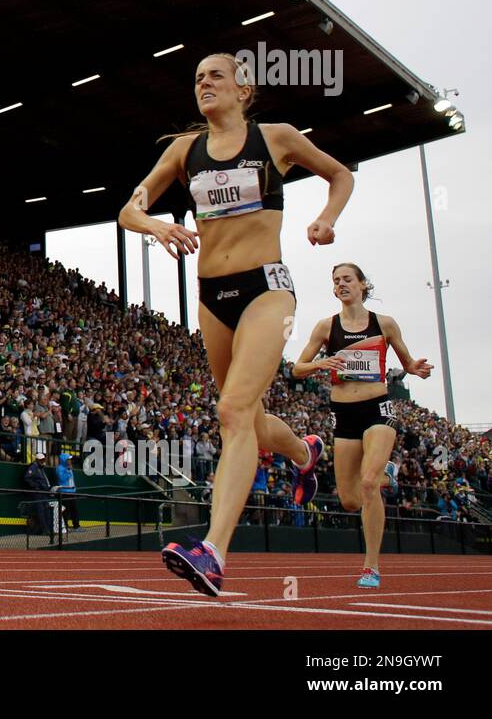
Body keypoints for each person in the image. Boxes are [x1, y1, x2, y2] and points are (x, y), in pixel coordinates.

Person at [119, 52, 353, 597]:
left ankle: (214, 551)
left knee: (231, 411)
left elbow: (340, 174)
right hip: (212, 297)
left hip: (266, 290)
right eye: (197, 78)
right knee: (244, 416)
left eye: (215, 75)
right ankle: (304, 453)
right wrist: (154, 224)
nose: (204, 84)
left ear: (243, 89)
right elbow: (128, 209)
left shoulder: (277, 138)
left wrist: (327, 218)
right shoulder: (184, 151)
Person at [292, 262, 432, 588]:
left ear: (362, 285)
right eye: (336, 280)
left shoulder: (384, 324)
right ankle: (387, 474)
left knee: (368, 485)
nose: (341, 284)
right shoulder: (326, 327)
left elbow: (406, 361)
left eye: (347, 279)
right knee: (350, 500)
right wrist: (320, 363)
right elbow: (298, 368)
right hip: (343, 415)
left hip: (377, 409)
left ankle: (371, 566)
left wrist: (415, 368)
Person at [55, 452, 80, 529]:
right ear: (64, 460)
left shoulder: (69, 467)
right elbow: (62, 479)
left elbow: (72, 480)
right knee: (65, 511)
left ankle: (76, 526)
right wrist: (68, 471)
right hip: (64, 492)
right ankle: (65, 526)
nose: (70, 461)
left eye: (70, 459)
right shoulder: (59, 468)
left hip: (72, 492)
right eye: (68, 459)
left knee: (74, 510)